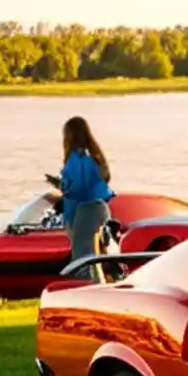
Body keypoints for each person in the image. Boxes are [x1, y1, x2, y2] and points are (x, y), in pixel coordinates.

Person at [60, 117, 115, 282]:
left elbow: (77, 189)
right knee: (97, 257)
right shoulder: (95, 156)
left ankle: (87, 289)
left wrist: (63, 186)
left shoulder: (77, 158)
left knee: (83, 260)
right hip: (101, 208)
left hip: (86, 211)